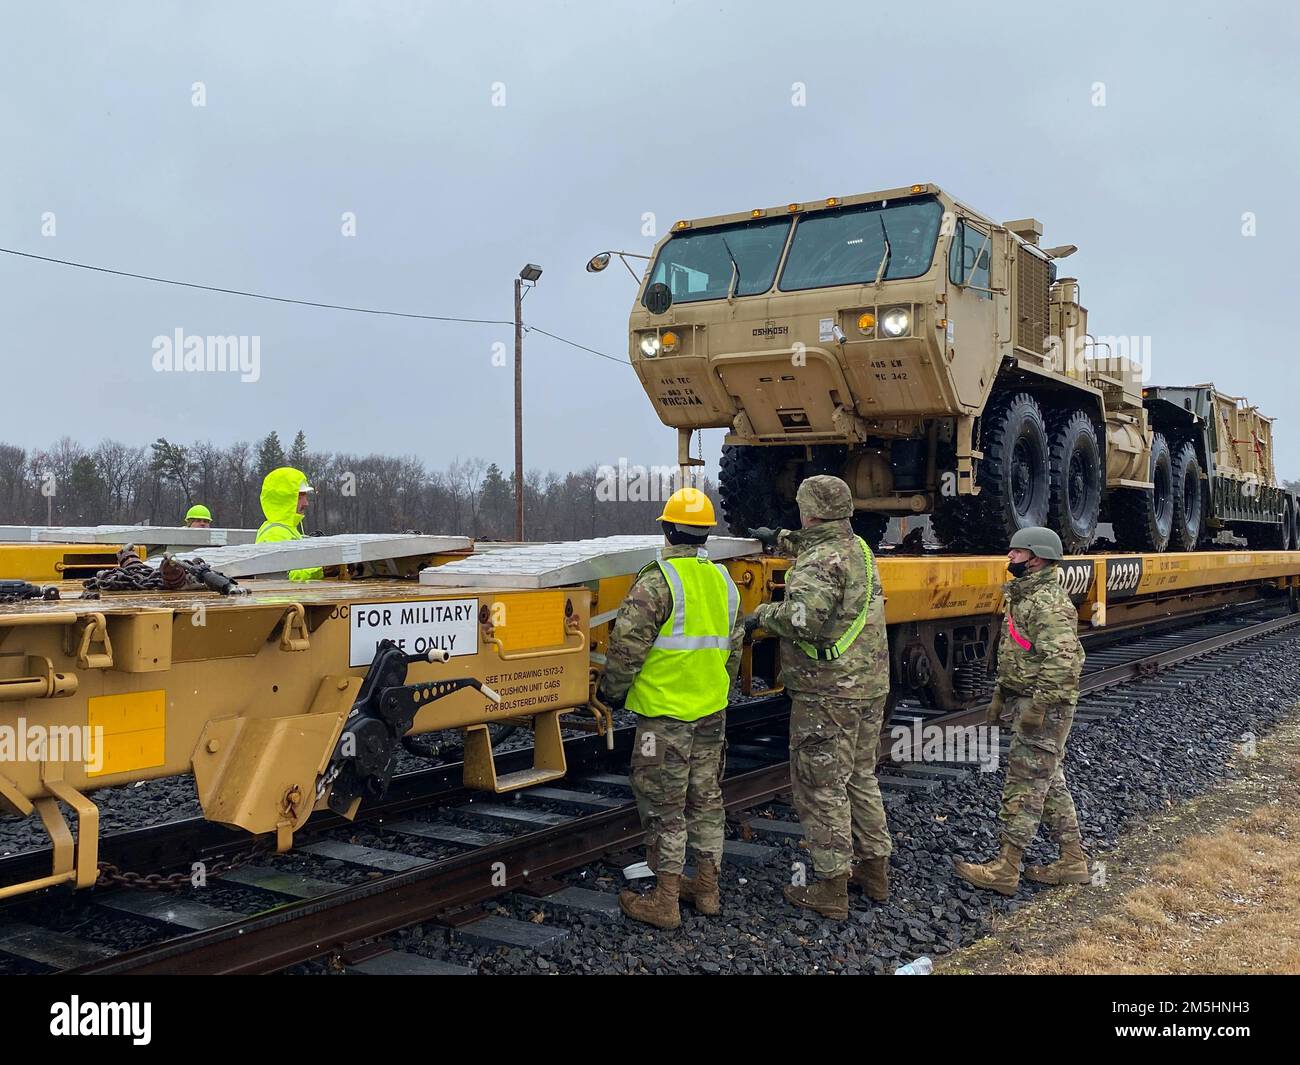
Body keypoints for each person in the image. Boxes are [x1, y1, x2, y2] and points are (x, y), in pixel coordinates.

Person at [596, 486, 743, 930]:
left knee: (663, 803)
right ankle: (708, 890)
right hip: (711, 713)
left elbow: (626, 648)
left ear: (666, 528)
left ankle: (664, 899)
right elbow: (733, 649)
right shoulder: (723, 581)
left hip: (662, 721)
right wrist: (715, 687)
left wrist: (610, 693)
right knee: (706, 799)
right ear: (705, 535)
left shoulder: (657, 581)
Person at [746, 475, 891, 920]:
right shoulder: (858, 549)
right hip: (869, 688)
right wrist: (782, 539)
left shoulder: (818, 562)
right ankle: (874, 872)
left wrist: (760, 615)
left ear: (809, 511)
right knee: (859, 777)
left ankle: (832, 888)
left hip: (828, 694)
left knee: (819, 785)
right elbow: (821, 547)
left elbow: (802, 619)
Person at [953, 526, 1090, 895]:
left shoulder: (1046, 602)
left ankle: (1006, 867)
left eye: (1016, 552)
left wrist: (1039, 708)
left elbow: (1062, 664)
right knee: (1048, 780)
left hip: (1045, 705)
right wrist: (1003, 695)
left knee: (1025, 783)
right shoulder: (1026, 597)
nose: (1009, 558)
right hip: (1029, 698)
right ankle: (1072, 860)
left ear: (1037, 557)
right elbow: (1019, 654)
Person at [255, 466, 324, 582]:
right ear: (284, 498)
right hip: (281, 599)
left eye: (305, 496)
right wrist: (323, 569)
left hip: (291, 598)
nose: (306, 503)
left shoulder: (287, 530)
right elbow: (285, 576)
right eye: (300, 497)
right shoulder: (274, 534)